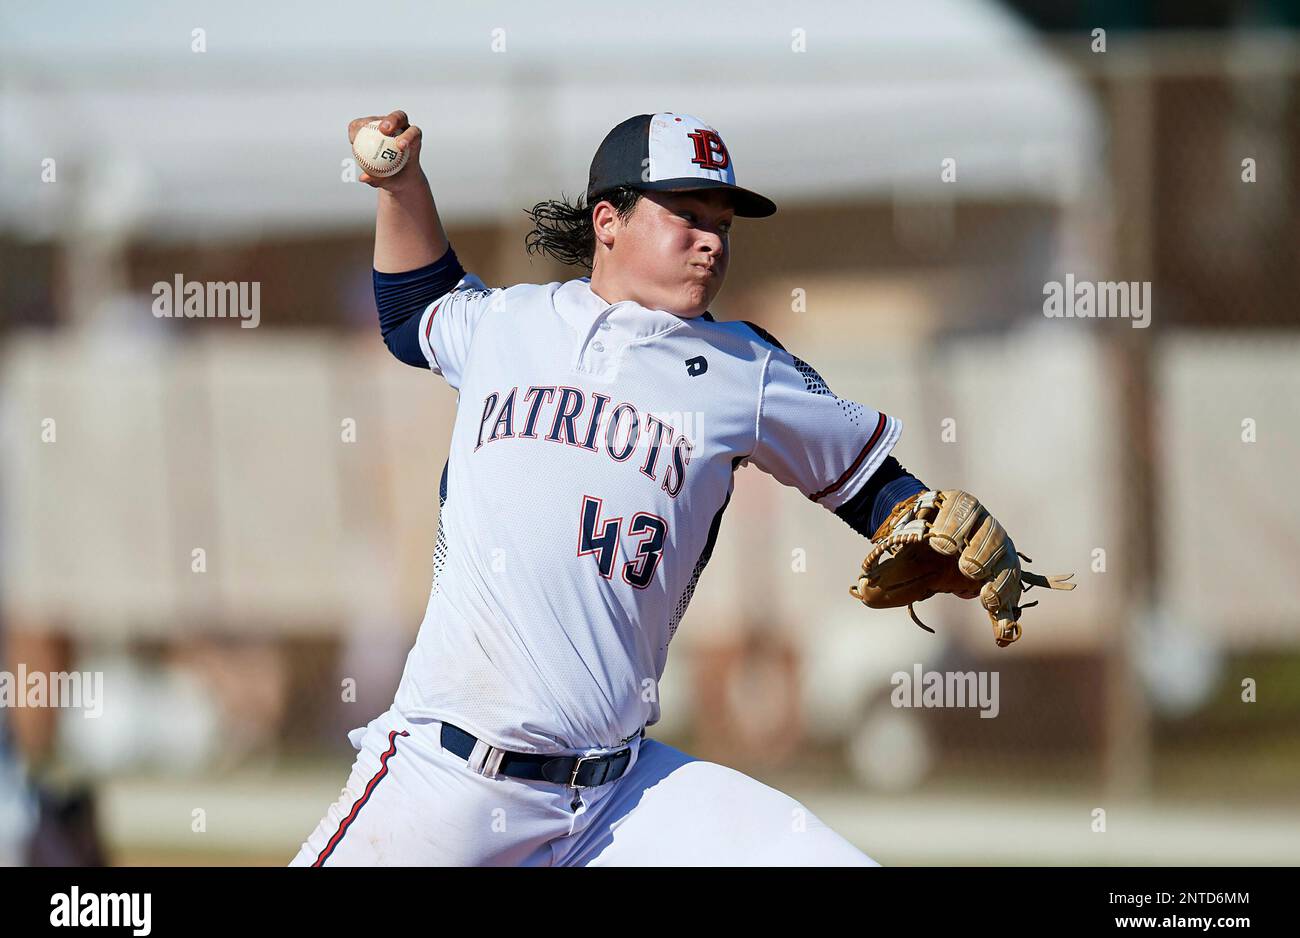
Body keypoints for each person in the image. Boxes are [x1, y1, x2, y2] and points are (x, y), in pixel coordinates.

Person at [292, 110, 938, 866]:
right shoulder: (509, 324)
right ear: (609, 219)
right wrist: (402, 185)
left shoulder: (743, 369)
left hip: (621, 797)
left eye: (723, 224)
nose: (712, 240)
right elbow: (413, 311)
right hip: (448, 782)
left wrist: (934, 530)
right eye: (688, 216)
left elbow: (868, 483)